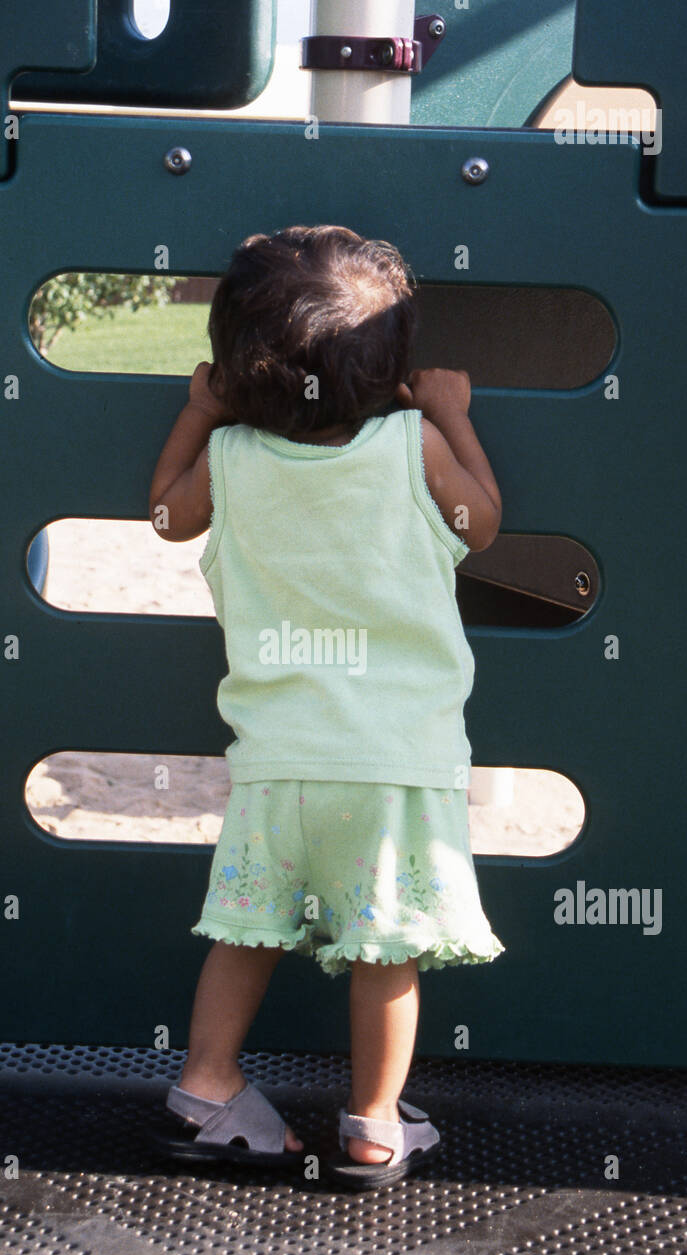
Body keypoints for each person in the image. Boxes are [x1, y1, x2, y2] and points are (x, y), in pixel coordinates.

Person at [148, 225, 505, 1188]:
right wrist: (452, 413)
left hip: (277, 765)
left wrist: (196, 413)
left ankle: (207, 1087)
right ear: (393, 368)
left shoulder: (232, 460)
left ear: (237, 368)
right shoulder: (413, 445)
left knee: (246, 930)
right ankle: (375, 1124)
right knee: (386, 952)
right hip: (395, 767)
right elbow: (482, 523)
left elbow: (163, 513)